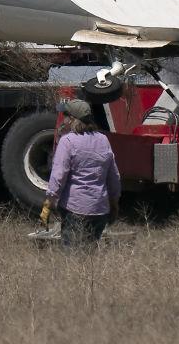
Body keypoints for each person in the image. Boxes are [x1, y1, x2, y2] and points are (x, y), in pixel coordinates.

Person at [41, 97, 120, 247]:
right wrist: (114, 203)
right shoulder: (103, 140)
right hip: (100, 210)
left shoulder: (67, 141)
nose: (63, 120)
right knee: (90, 254)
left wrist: (48, 204)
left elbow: (58, 176)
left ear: (72, 119)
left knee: (72, 256)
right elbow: (114, 176)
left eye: (65, 116)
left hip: (74, 209)